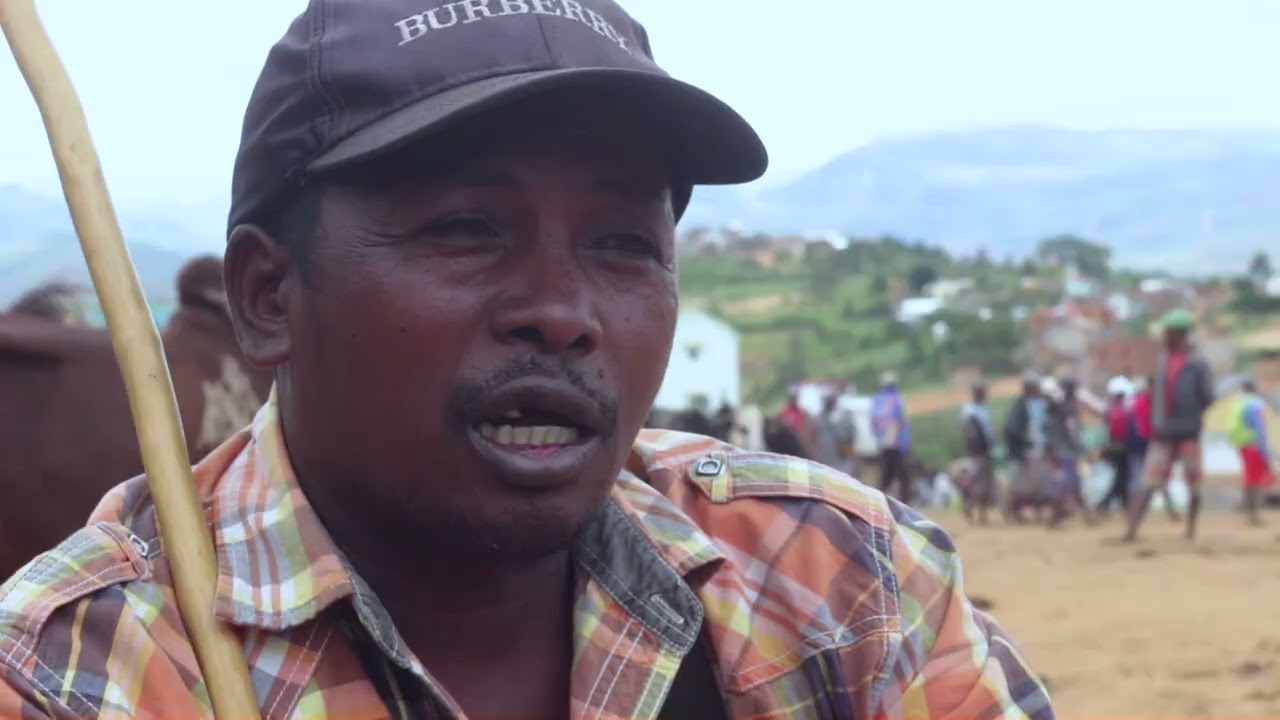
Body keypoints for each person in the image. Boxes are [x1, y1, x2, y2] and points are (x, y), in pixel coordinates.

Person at [0, 1, 1053, 718]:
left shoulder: (839, 582)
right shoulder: (81, 678)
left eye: (620, 244)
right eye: (464, 229)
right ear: (269, 298)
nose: (561, 313)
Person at [1124, 308, 1215, 542]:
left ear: (1178, 334)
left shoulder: (1198, 364)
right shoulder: (1162, 360)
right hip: (1163, 432)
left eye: (1167, 333)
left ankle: (1190, 532)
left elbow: (1208, 397)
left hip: (1187, 432)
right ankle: (1131, 530)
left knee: (1193, 483)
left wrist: (1191, 418)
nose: (1163, 337)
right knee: (1148, 482)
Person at [1004, 371, 1052, 522]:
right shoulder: (1021, 406)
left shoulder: (1036, 404)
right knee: (1023, 486)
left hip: (1036, 450)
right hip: (1026, 452)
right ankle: (1014, 512)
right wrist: (1026, 443)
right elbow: (1011, 429)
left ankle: (1037, 513)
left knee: (1037, 484)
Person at [1044, 376, 1092, 527]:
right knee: (1067, 484)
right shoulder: (1067, 409)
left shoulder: (1057, 407)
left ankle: (1087, 515)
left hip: (1059, 450)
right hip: (1067, 452)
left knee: (1073, 483)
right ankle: (1056, 517)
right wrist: (1082, 448)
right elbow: (1073, 432)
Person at [1228, 379, 1276, 526]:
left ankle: (1248, 511)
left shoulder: (1237, 403)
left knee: (1249, 478)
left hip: (1242, 444)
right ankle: (1254, 514)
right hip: (1253, 445)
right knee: (1257, 480)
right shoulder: (1255, 405)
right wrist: (1265, 451)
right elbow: (1260, 430)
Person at [1095, 376, 1135, 515]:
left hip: (1122, 447)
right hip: (1118, 448)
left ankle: (1123, 504)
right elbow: (1107, 431)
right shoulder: (1118, 410)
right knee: (1121, 477)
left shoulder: (1114, 409)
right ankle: (1104, 504)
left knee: (1122, 477)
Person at [871, 371, 913, 504]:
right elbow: (903, 422)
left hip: (884, 444)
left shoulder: (877, 401)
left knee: (885, 475)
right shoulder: (898, 399)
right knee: (903, 476)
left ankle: (877, 500)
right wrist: (905, 445)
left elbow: (873, 424)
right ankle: (906, 503)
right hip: (897, 443)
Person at [960, 379, 998, 525]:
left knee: (986, 482)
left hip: (986, 450)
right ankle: (970, 507)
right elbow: (973, 434)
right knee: (979, 482)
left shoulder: (982, 409)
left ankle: (983, 514)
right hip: (978, 451)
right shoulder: (970, 411)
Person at [810, 386, 855, 475]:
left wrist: (847, 450)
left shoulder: (844, 415)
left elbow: (851, 435)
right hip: (824, 458)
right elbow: (814, 436)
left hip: (842, 457)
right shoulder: (818, 418)